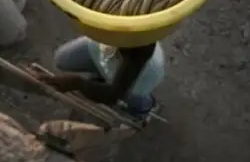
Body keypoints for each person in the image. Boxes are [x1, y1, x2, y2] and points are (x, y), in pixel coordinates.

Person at [33, 37, 165, 119]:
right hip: (103, 52)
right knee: (61, 59)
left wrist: (77, 83)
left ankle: (145, 109)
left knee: (137, 100)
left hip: (138, 80)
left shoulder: (144, 59)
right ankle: (103, 77)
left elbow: (113, 95)